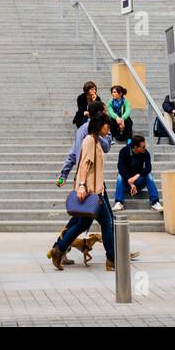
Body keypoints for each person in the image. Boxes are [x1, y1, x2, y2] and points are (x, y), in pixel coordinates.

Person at [48, 115, 117, 272]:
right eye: (107, 126)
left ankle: (58, 250)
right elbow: (84, 165)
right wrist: (81, 186)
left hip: (95, 189)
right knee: (107, 223)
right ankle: (111, 258)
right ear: (99, 125)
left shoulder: (97, 140)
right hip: (92, 192)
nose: (108, 129)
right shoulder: (90, 141)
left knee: (82, 224)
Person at [114, 135, 162, 212]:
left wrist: (137, 176)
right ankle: (119, 202)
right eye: (143, 147)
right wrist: (129, 180)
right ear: (136, 147)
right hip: (126, 183)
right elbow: (120, 167)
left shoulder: (145, 153)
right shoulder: (124, 151)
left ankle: (155, 202)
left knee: (148, 176)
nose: (145, 148)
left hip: (138, 181)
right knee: (120, 176)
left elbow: (148, 167)